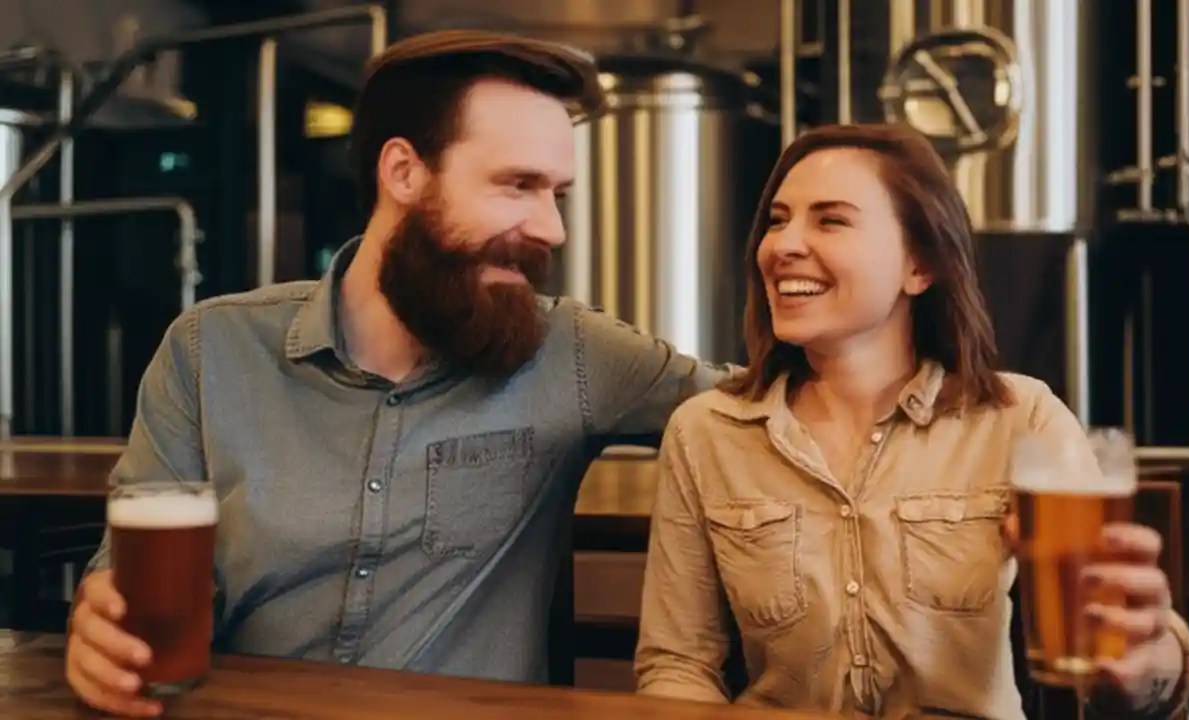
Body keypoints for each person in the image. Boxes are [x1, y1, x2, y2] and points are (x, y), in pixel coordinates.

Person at [66, 30, 730, 717]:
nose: (553, 228)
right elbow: (124, 574)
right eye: (518, 186)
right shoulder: (211, 349)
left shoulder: (575, 353)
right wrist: (101, 623)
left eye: (557, 192)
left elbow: (764, 404)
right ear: (404, 173)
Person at [633, 124, 1189, 719]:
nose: (781, 246)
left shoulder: (1019, 417)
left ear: (919, 266)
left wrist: (1150, 661)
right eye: (777, 219)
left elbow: (1114, 634)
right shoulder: (706, 431)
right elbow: (679, 662)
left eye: (830, 220)